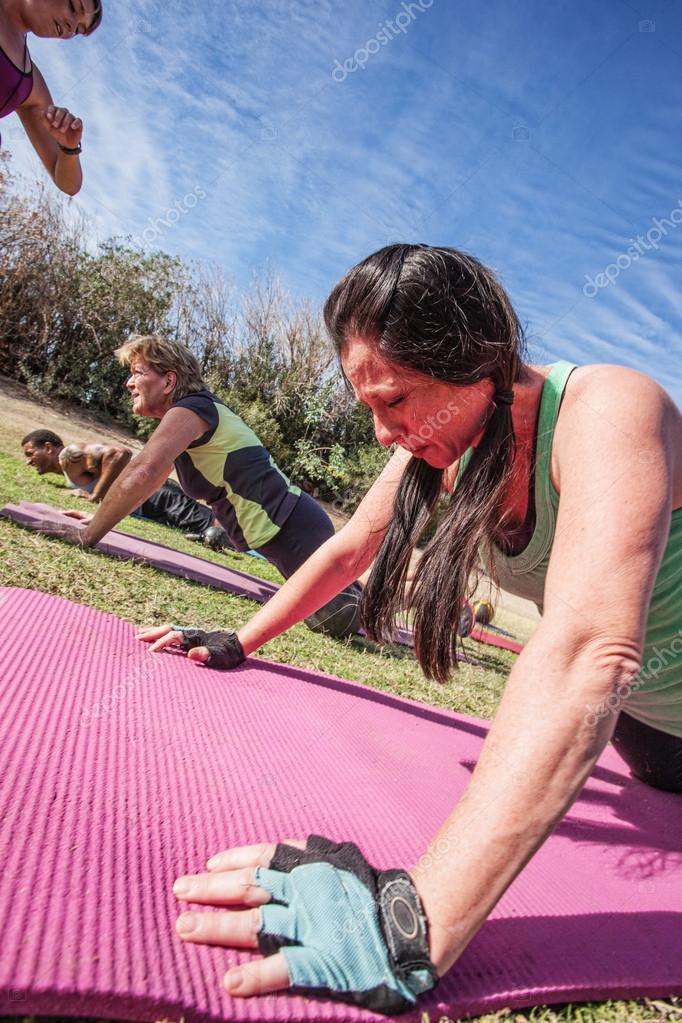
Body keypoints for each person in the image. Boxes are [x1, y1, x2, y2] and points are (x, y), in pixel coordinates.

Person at [137, 244, 682, 1012]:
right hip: (652, 741)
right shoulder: (442, 447)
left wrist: (416, 916)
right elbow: (348, 550)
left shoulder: (610, 409)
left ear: (482, 363)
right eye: (370, 406)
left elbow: (592, 648)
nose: (382, 432)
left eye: (395, 400)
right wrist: (240, 638)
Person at [51, 335, 363, 637]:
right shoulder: (193, 413)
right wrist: (100, 519)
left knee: (338, 619)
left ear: (169, 381)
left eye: (137, 373)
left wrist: (87, 536)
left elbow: (143, 471)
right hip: (289, 530)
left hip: (293, 530)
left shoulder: (191, 410)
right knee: (339, 613)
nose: (129, 383)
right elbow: (150, 482)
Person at [21, 428, 223, 541]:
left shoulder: (70, 455)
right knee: (204, 532)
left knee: (213, 527)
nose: (28, 462)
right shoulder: (67, 470)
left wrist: (96, 495)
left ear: (48, 448)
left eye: (30, 454)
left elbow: (118, 453)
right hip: (147, 507)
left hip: (158, 497)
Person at [0, 0, 102, 194]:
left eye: (78, 30)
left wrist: (68, 148)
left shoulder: (27, 82)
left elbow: (69, 185)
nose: (71, 27)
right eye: (73, 6)